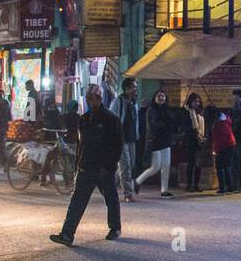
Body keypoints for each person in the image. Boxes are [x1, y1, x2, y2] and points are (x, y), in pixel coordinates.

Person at [50, 85, 123, 246]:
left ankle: (115, 227)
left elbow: (117, 145)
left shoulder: (111, 119)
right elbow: (81, 144)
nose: (90, 101)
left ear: (99, 98)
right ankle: (67, 234)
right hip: (87, 166)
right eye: (88, 98)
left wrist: (110, 166)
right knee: (77, 201)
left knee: (111, 198)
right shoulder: (84, 119)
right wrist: (78, 163)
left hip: (104, 168)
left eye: (92, 98)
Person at [135, 90, 175, 197]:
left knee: (166, 165)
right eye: (158, 96)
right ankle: (138, 181)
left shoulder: (167, 110)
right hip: (155, 141)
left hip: (166, 141)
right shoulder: (151, 110)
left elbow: (171, 124)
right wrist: (163, 122)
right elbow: (151, 126)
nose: (161, 97)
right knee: (155, 167)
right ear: (155, 98)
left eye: (163, 95)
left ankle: (164, 190)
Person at [110, 78, 142, 201]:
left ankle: (108, 186)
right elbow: (112, 119)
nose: (135, 89)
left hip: (132, 138)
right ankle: (128, 194)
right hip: (121, 139)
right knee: (125, 166)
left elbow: (136, 120)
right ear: (127, 89)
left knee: (129, 165)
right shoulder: (118, 102)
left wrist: (137, 133)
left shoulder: (134, 102)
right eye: (133, 87)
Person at [181, 93, 206, 192]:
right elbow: (186, 127)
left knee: (198, 164)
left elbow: (203, 126)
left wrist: (202, 137)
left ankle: (196, 184)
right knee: (191, 163)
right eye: (195, 101)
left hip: (199, 140)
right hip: (190, 140)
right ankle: (189, 185)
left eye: (198, 101)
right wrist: (195, 133)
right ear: (190, 102)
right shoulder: (187, 112)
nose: (197, 103)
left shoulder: (200, 113)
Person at [210, 108, 236, 194]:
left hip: (224, 145)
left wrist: (215, 150)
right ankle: (230, 187)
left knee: (220, 167)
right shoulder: (226, 119)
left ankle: (222, 188)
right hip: (230, 144)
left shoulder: (218, 124)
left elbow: (217, 138)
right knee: (227, 166)